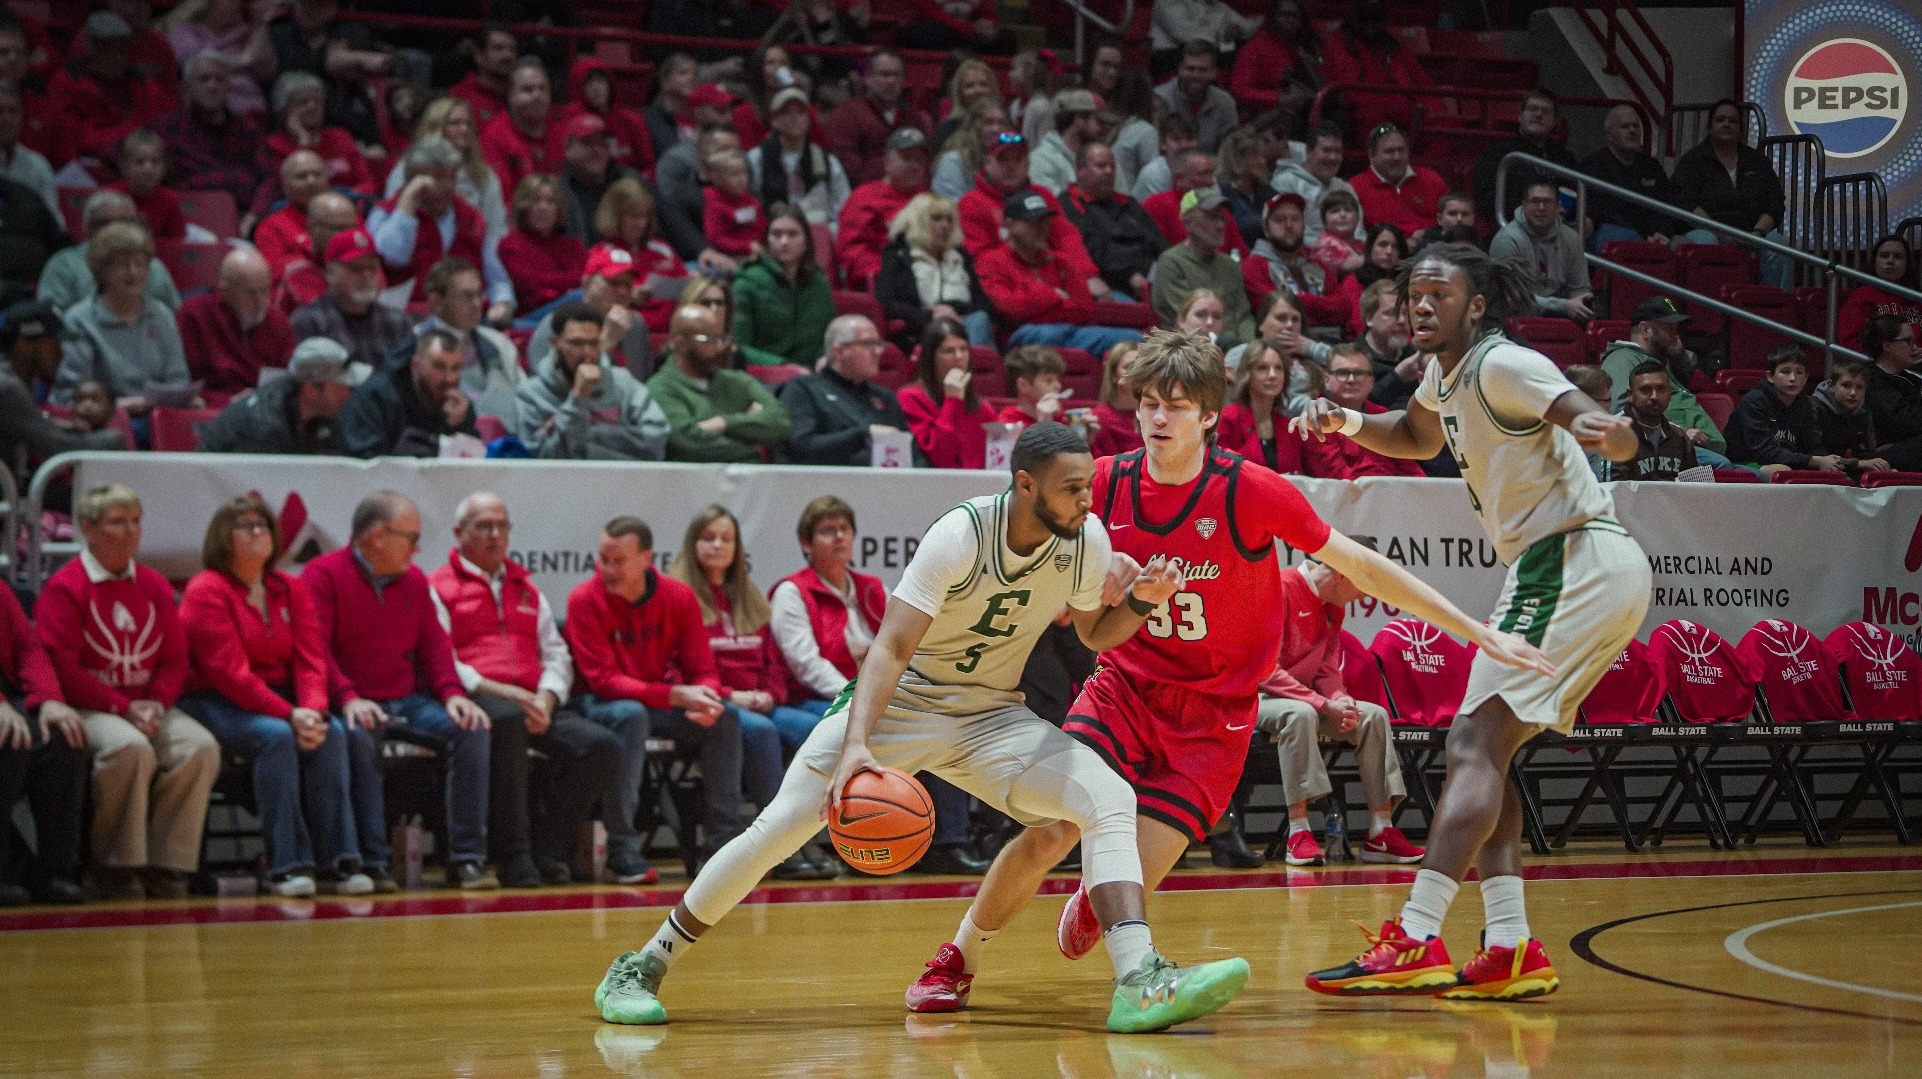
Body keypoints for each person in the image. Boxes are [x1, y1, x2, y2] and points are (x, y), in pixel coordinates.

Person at [935, 329, 1547, 1010]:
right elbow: (1024, 547)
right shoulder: (1103, 485)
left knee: (1125, 870)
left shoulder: (1250, 491)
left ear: (1207, 416)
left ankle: (1099, 893)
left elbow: (1363, 566)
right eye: (1147, 404)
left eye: (1174, 405)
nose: (1157, 418)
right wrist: (1087, 570)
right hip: (1125, 689)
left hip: (1216, 715)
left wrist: (1471, 628)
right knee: (1051, 828)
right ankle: (957, 956)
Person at [596, 421, 1243, 1031]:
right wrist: (856, 746)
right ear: (1024, 485)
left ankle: (1139, 980)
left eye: (1088, 488)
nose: (1085, 500)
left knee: (1108, 797)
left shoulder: (1086, 542)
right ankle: (644, 962)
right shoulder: (959, 536)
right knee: (778, 829)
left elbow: (1095, 633)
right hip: (900, 704)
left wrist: (1137, 603)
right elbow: (890, 647)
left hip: (988, 715)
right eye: (1071, 488)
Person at [1296, 242, 1647, 1001]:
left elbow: (1574, 408)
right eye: (1413, 295)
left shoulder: (1500, 364)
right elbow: (1416, 438)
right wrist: (1346, 419)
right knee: (1492, 749)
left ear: (1476, 305)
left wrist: (1605, 429)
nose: (1421, 306)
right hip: (1565, 562)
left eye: (1439, 295)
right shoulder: (1444, 373)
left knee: (1471, 741)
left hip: (1572, 557)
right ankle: (1511, 944)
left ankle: (1418, 935)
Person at [302, 491, 495, 890]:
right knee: (357, 737)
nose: (417, 547)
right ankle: (373, 860)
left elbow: (435, 647)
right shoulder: (323, 576)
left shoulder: (413, 582)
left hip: (408, 700)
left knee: (472, 727)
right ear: (377, 537)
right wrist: (348, 697)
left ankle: (466, 858)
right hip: (353, 700)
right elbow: (314, 649)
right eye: (410, 537)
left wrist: (453, 694)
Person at [428, 492, 622, 888]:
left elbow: (556, 655)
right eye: (483, 526)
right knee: (511, 723)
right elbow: (442, 658)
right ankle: (513, 854)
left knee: (602, 746)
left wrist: (547, 699)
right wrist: (504, 693)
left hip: (534, 700)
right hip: (479, 698)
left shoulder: (526, 588)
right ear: (458, 532)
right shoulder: (438, 586)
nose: (494, 535)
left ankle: (547, 848)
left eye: (502, 526)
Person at [38, 484, 219, 900]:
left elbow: (175, 658)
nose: (131, 531)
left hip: (148, 703)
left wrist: (156, 703)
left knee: (199, 746)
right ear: (88, 529)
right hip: (89, 704)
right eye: (118, 522)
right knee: (129, 749)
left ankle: (168, 864)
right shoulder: (65, 587)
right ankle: (114, 867)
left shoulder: (153, 585)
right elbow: (62, 667)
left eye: (136, 521)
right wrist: (123, 707)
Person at [178, 494, 363, 898]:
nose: (259, 532)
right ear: (224, 537)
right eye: (247, 525)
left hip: (279, 699)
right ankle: (286, 865)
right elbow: (228, 673)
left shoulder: (289, 588)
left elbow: (312, 659)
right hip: (214, 698)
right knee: (276, 737)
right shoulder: (206, 589)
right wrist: (289, 714)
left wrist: (312, 710)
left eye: (264, 525)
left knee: (331, 732)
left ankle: (340, 860)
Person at [567, 515, 769, 884]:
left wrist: (706, 697)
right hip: (598, 707)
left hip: (655, 701)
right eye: (603, 559)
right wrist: (674, 694)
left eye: (618, 561)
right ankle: (622, 850)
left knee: (723, 718)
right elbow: (603, 681)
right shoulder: (584, 599)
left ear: (646, 558)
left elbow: (702, 667)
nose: (608, 570)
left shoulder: (677, 596)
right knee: (630, 715)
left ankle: (722, 850)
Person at [666, 505, 832, 880]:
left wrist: (770, 693)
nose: (717, 546)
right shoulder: (679, 596)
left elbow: (774, 660)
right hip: (718, 703)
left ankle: (809, 835)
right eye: (708, 538)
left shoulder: (749, 595)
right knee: (761, 732)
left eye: (726, 539)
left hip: (761, 700)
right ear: (693, 544)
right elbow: (677, 668)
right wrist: (731, 695)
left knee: (816, 727)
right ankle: (778, 845)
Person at [1255, 552, 1421, 867]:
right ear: (1341, 576)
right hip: (1259, 699)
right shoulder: (1280, 587)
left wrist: (1340, 697)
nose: (1362, 597)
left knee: (1373, 716)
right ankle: (1298, 832)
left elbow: (1327, 669)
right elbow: (1266, 671)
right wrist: (1322, 703)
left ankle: (1380, 831)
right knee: (1300, 714)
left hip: (1305, 698)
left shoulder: (1335, 606)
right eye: (1361, 589)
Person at [0, 578, 89, 906]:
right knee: (9, 740)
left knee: (62, 737)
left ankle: (57, 872)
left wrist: (49, 699)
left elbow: (29, 648)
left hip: (11, 704)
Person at [977, 190, 1143, 357]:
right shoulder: (992, 261)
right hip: (1023, 338)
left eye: (1044, 221)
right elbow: (1007, 309)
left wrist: (1036, 309)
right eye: (1033, 222)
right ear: (1010, 224)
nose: (1042, 228)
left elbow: (1084, 309)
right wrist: (1053, 295)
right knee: (1046, 334)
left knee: (1134, 338)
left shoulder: (1062, 261)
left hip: (1072, 332)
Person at [52, 222, 191, 418]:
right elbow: (71, 396)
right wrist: (119, 406)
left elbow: (178, 380)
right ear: (101, 271)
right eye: (122, 265)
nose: (133, 272)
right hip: (105, 421)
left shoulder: (162, 315)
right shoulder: (79, 320)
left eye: (140, 264)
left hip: (159, 416)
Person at [368, 137, 513, 319]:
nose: (447, 186)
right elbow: (393, 258)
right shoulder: (384, 213)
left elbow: (497, 279)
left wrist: (502, 304)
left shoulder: (471, 218)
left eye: (451, 177)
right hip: (406, 320)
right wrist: (407, 203)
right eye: (437, 177)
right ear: (412, 178)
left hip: (467, 318)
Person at [956, 130, 1104, 298]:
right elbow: (982, 259)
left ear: (1028, 164)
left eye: (1018, 159)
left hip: (1060, 284)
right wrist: (1040, 291)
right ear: (988, 163)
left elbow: (1065, 238)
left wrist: (1088, 275)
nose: (1011, 166)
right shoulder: (972, 204)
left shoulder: (1043, 195)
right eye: (1002, 159)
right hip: (1013, 292)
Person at [514, 301, 669, 460]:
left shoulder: (621, 382)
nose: (587, 353)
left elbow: (656, 440)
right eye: (576, 343)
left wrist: (590, 432)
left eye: (593, 344)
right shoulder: (531, 394)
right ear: (555, 343)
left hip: (622, 480)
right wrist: (577, 398)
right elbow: (538, 460)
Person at [648, 303, 793, 462]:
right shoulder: (660, 388)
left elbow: (782, 422)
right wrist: (749, 441)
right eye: (708, 339)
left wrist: (722, 423)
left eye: (721, 338)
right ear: (681, 343)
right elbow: (685, 442)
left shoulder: (737, 381)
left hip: (751, 482)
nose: (719, 348)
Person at [1671, 99, 1792, 289]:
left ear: (1741, 130)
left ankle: (1774, 308)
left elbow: (1775, 203)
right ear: (1709, 128)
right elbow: (1684, 201)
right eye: (1720, 120)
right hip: (1707, 231)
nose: (1727, 124)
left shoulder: (1757, 161)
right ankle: (1709, 307)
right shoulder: (1693, 161)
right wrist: (1720, 234)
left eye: (1733, 121)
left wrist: (1757, 235)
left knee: (1778, 243)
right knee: (1705, 240)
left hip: (1752, 234)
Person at [0, 300, 125, 480]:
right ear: (24, 345)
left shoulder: (26, 378)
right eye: (53, 343)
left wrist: (51, 421)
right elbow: (56, 447)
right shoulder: (8, 386)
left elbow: (19, 425)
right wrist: (111, 439)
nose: (61, 353)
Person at [779, 315, 919, 465]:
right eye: (867, 344)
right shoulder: (804, 389)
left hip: (886, 484)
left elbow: (913, 455)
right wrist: (863, 434)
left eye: (878, 344)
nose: (878, 352)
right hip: (828, 483)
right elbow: (801, 448)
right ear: (839, 352)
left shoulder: (884, 397)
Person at [1597, 296, 1727, 454]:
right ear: (1646, 330)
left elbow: (1684, 381)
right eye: (1670, 328)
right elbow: (1620, 412)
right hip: (1668, 449)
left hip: (1692, 447)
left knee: (1755, 473)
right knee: (1736, 471)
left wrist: (1678, 356)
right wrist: (1680, 433)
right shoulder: (1622, 359)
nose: (1677, 336)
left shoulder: (1659, 361)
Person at [149, 51, 267, 216]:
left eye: (219, 80)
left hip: (244, 215)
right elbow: (124, 154)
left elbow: (268, 177)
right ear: (186, 87)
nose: (212, 86)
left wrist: (255, 214)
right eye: (204, 79)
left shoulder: (248, 128)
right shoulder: (166, 128)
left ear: (227, 87)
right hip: (190, 214)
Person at [198, 336, 359, 454]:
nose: (347, 395)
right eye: (340, 388)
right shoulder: (263, 425)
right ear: (311, 390)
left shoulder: (324, 414)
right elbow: (253, 494)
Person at [380, 96, 510, 242]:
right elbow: (392, 213)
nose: (464, 129)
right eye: (455, 123)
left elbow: (496, 229)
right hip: (417, 245)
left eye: (468, 123)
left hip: (470, 250)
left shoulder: (484, 174)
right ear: (436, 127)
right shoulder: (408, 168)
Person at [49, 10, 173, 163]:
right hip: (96, 165)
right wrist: (135, 133)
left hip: (150, 161)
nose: (121, 56)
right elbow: (77, 139)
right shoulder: (67, 83)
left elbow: (169, 121)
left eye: (124, 48)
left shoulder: (142, 82)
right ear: (91, 48)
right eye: (112, 48)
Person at [404, 257, 522, 417]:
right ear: (436, 301)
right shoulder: (413, 347)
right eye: (466, 296)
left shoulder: (499, 343)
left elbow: (523, 397)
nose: (476, 304)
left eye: (479, 295)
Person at [874, 192, 994, 348]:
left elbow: (984, 303)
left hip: (964, 324)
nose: (945, 225)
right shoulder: (897, 255)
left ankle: (972, 366)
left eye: (949, 220)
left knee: (979, 320)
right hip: (921, 331)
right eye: (937, 219)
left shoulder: (961, 257)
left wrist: (954, 311)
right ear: (917, 221)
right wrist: (930, 315)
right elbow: (886, 303)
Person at [37, 191, 180, 318]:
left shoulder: (153, 267)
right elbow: (52, 319)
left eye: (127, 223)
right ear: (89, 225)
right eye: (109, 223)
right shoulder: (63, 265)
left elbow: (175, 316)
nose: (119, 231)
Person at [175, 247, 294, 402]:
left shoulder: (278, 322)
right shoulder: (195, 315)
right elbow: (182, 385)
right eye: (250, 293)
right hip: (210, 411)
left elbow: (286, 382)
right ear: (225, 290)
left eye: (265, 290)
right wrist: (227, 401)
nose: (260, 301)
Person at [339, 328, 479, 457]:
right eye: (439, 366)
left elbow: (468, 462)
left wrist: (456, 427)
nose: (449, 378)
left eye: (455, 368)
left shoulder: (459, 407)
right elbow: (366, 459)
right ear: (415, 364)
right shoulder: (376, 397)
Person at [290, 226, 413, 372]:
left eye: (372, 268)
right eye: (356, 268)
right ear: (330, 273)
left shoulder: (397, 322)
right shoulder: (309, 322)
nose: (366, 275)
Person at [524, 242, 654, 377]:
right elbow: (545, 384)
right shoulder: (557, 323)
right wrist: (605, 344)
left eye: (628, 284)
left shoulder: (636, 323)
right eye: (613, 282)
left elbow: (642, 380)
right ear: (586, 283)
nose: (622, 291)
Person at [732, 205, 836, 369]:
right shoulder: (746, 284)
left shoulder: (819, 283)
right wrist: (783, 367)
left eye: (792, 234)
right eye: (776, 234)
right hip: (766, 376)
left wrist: (825, 357)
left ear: (806, 241)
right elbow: (737, 347)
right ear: (766, 240)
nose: (784, 242)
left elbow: (829, 336)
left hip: (813, 375)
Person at [1300, 345, 1426, 480]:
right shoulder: (1315, 418)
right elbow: (1337, 478)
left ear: (1371, 382)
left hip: (1391, 494)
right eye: (1342, 373)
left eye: (1359, 373)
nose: (1351, 380)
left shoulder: (1382, 414)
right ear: (1326, 380)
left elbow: (1410, 470)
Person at [1243, 192, 1361, 335]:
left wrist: (1298, 303)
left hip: (1331, 340)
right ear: (1266, 230)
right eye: (1280, 220)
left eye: (1295, 219)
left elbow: (1344, 307)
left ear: (1304, 226)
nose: (1289, 225)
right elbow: (1270, 308)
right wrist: (1323, 306)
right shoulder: (1254, 265)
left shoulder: (1316, 263)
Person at [1061, 143, 1165, 304]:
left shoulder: (1128, 203)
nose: (1109, 172)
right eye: (1101, 166)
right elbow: (1094, 249)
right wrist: (1131, 274)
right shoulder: (1067, 204)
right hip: (1111, 284)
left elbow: (1157, 242)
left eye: (1112, 167)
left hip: (1152, 276)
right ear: (1080, 169)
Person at [1151, 189, 1255, 350]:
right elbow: (1189, 318)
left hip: (1234, 348)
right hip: (1188, 349)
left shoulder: (1229, 265)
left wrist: (1250, 348)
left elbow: (1243, 316)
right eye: (1212, 218)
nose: (1220, 225)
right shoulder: (1171, 262)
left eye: (1222, 218)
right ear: (1188, 223)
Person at [1316, 0, 1433, 138]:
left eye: (1375, 17)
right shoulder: (1336, 45)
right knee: (1370, 117)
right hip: (1363, 116)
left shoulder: (1395, 49)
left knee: (1446, 123)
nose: (1370, 24)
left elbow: (1425, 88)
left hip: (1403, 114)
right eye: (1365, 17)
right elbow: (1343, 92)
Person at [260, 70, 375, 208]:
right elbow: (293, 191)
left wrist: (345, 202)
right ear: (284, 111)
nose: (312, 106)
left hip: (349, 206)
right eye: (303, 102)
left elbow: (367, 182)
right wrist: (304, 143)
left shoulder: (340, 136)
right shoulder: (275, 145)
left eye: (317, 101)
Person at [835, 128, 932, 290]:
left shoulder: (929, 200)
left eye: (920, 160)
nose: (915, 166)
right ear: (887, 163)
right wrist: (896, 274)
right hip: (884, 286)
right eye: (907, 159)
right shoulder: (864, 198)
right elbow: (852, 253)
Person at [747, 87, 850, 232]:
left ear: (808, 120)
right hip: (771, 229)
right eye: (786, 112)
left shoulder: (826, 160)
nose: (794, 118)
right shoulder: (756, 158)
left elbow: (843, 206)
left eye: (801, 112)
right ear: (774, 121)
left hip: (816, 231)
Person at [824, 48, 933, 187]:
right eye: (884, 74)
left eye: (896, 75)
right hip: (864, 195)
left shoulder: (912, 117)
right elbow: (848, 169)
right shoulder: (847, 115)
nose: (891, 81)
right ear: (868, 78)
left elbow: (925, 164)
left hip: (909, 196)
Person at [1724, 346, 1841, 475]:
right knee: (1781, 471)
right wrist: (1814, 461)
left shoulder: (1805, 404)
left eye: (1799, 372)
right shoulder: (1754, 401)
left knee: (1832, 472)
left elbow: (1813, 446)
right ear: (1770, 376)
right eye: (1785, 372)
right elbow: (1763, 452)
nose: (1793, 378)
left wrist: (1827, 462)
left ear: (1806, 377)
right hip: (1745, 463)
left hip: (1788, 463)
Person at [1489, 180, 1595, 321]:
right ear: (1524, 205)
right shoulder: (1507, 239)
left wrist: (1580, 303)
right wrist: (1562, 306)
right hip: (1516, 317)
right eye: (1535, 201)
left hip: (1561, 316)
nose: (1541, 207)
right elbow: (1510, 295)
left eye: (1547, 202)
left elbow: (1580, 288)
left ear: (1558, 207)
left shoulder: (1571, 238)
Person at [1470, 89, 1579, 226]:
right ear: (1520, 116)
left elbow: (1576, 197)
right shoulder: (1498, 154)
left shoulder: (1564, 158)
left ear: (1554, 122)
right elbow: (1485, 199)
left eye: (1545, 112)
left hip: (1556, 229)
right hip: (1512, 227)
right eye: (1533, 109)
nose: (1538, 114)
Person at [1578, 104, 1678, 250]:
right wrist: (1643, 237)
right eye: (1625, 126)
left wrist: (1662, 233)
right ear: (1610, 136)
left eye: (1636, 126)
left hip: (1655, 236)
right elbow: (1601, 211)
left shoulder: (1651, 166)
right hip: (1613, 236)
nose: (1632, 130)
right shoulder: (1593, 165)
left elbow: (1667, 205)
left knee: (1693, 242)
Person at [897, 316, 992, 469]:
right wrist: (953, 401)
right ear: (931, 358)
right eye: (949, 351)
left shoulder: (981, 407)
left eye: (964, 349)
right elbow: (940, 458)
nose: (959, 357)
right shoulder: (910, 398)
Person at [657, 124, 744, 271]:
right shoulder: (682, 197)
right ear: (702, 153)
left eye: (736, 151)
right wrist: (705, 252)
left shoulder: (749, 194)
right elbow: (686, 239)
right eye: (724, 150)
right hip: (704, 267)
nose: (731, 157)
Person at [500, 174, 588, 318]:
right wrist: (569, 286)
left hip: (572, 308)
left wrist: (554, 287)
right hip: (532, 318)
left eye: (550, 201)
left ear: (558, 208)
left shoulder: (573, 246)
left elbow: (585, 277)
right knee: (583, 297)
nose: (543, 207)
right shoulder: (511, 245)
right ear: (524, 206)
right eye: (536, 201)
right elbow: (529, 285)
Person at [1216, 341, 1309, 473]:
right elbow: (1220, 471)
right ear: (1247, 374)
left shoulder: (1289, 428)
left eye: (1278, 368)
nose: (1272, 375)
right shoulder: (1228, 419)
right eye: (1262, 368)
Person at [480, 57, 564, 198]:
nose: (537, 95)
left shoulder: (561, 133)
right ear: (511, 96)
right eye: (528, 90)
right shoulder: (493, 136)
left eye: (542, 89)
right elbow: (500, 199)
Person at [1605, 359, 1701, 482]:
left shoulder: (1679, 437)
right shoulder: (1613, 434)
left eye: (1661, 389)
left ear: (1670, 393)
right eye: (1645, 390)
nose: (1654, 396)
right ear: (1630, 394)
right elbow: (1610, 491)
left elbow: (1696, 490)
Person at [558, 112, 644, 249]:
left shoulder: (630, 180)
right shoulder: (558, 193)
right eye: (587, 143)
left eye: (601, 143)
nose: (596, 150)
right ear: (568, 150)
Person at [1140, 148, 1247, 255]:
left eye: (1212, 174)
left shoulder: (1219, 210)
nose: (1211, 181)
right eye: (1203, 174)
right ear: (1179, 178)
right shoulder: (1157, 206)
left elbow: (1241, 254)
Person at [1350, 123, 1449, 236]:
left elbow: (1452, 220)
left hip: (1436, 247)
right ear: (1371, 155)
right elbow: (1355, 238)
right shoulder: (1355, 188)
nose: (1397, 157)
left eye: (1401, 150)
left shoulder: (1431, 179)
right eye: (1389, 151)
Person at [563, 56, 656, 176]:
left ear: (609, 83)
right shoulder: (573, 119)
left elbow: (649, 167)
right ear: (579, 88)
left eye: (600, 80)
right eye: (588, 83)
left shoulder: (632, 120)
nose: (596, 88)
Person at [1230, 0, 1322, 117]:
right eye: (1285, 14)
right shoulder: (1254, 48)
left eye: (1296, 16)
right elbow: (1239, 91)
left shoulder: (1306, 48)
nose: (1291, 20)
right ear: (1273, 17)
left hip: (1306, 112)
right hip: (1265, 116)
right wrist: (1278, 99)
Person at [252, 150, 331, 281]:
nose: (311, 181)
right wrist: (314, 251)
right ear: (285, 186)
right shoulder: (271, 228)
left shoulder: (348, 218)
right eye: (301, 176)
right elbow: (277, 278)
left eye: (317, 174)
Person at [1837, 235, 1922, 351]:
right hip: (1879, 365)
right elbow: (1850, 342)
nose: (1890, 261)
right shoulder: (1862, 296)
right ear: (1874, 262)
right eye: (1884, 256)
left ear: (1907, 264)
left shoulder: (1915, 298)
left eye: (1898, 257)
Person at [1154, 40, 1238, 153]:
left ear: (1213, 72)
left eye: (1203, 70)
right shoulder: (1159, 99)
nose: (1196, 75)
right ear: (1179, 69)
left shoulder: (1225, 102)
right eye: (1190, 68)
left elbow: (1230, 150)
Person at [1862, 315, 1922, 471]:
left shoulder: (1911, 379)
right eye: (1908, 341)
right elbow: (1905, 422)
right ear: (1887, 346)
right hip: (1882, 453)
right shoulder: (1869, 379)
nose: (1915, 347)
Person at [1813, 360, 1891, 475]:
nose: (1853, 393)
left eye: (1859, 387)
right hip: (1810, 468)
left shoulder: (1863, 412)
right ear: (1831, 386)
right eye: (1846, 385)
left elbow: (1867, 454)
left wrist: (1880, 467)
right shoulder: (1814, 408)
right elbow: (1817, 457)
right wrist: (1860, 463)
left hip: (1839, 468)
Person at [1355, 279, 1422, 409]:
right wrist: (1397, 378)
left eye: (1405, 313)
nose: (1402, 320)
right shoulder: (1353, 359)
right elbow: (1357, 406)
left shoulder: (1414, 353)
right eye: (1392, 313)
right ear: (1369, 318)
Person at [1030, 89, 1103, 197]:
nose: (1102, 127)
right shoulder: (1042, 158)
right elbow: (1050, 201)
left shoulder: (1103, 156)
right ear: (1079, 119)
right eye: (1098, 120)